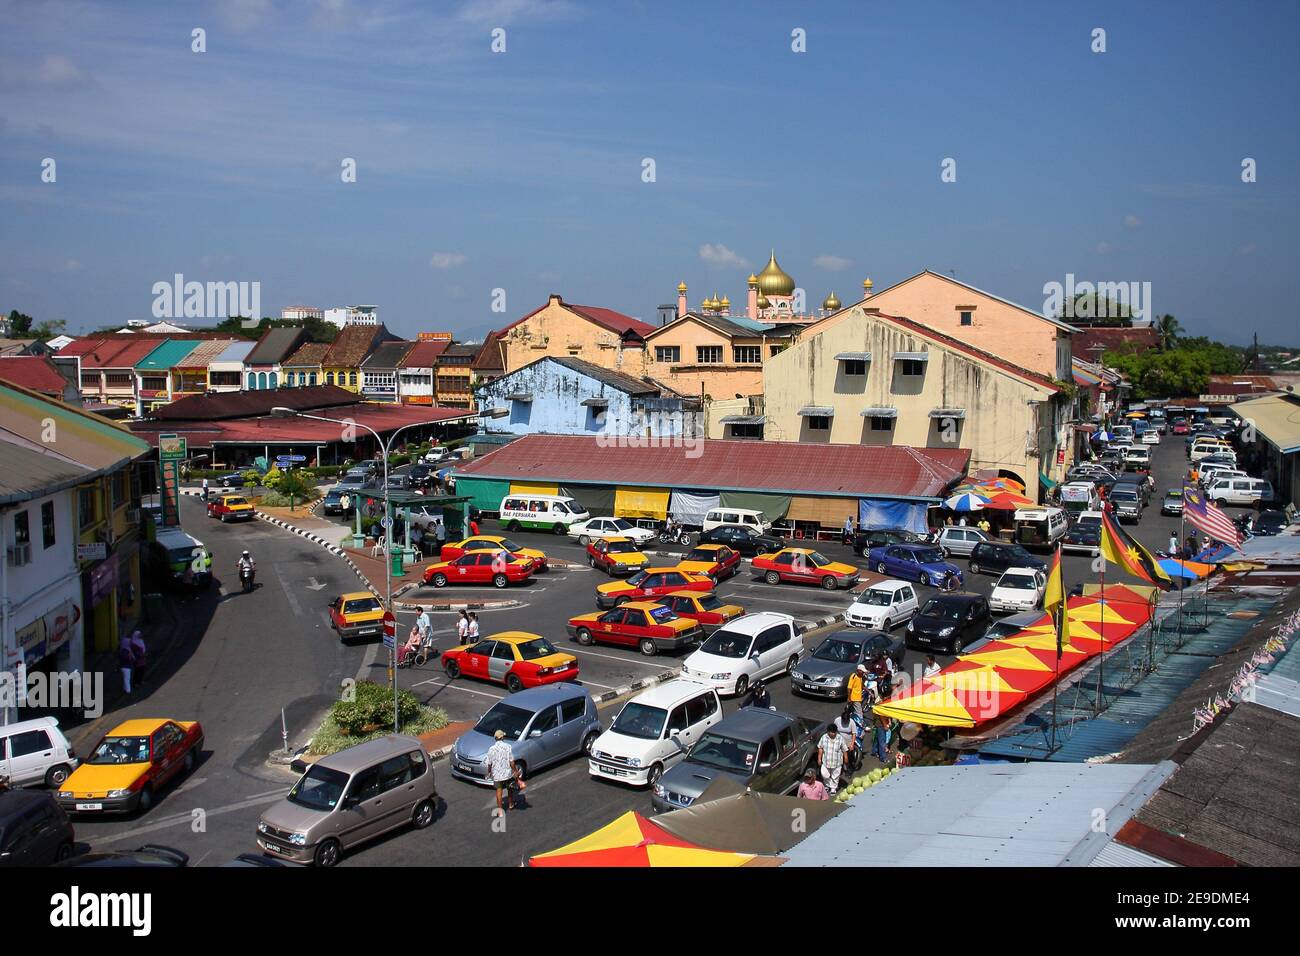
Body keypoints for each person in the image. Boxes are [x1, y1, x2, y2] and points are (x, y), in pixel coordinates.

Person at [485, 729, 522, 812]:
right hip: (507, 774)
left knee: (499, 791)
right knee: (510, 789)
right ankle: (510, 804)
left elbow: (489, 763)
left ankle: (500, 811)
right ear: (502, 737)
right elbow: (511, 762)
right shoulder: (508, 746)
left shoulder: (491, 749)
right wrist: (515, 771)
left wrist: (489, 772)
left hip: (497, 775)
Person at [816, 723, 849, 795]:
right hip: (825, 761)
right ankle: (827, 785)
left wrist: (846, 757)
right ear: (828, 731)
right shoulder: (824, 737)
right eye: (832, 732)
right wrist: (819, 758)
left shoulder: (840, 738)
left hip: (836, 762)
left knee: (835, 776)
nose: (833, 734)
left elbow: (844, 749)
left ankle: (833, 788)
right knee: (824, 774)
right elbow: (820, 748)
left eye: (834, 732)